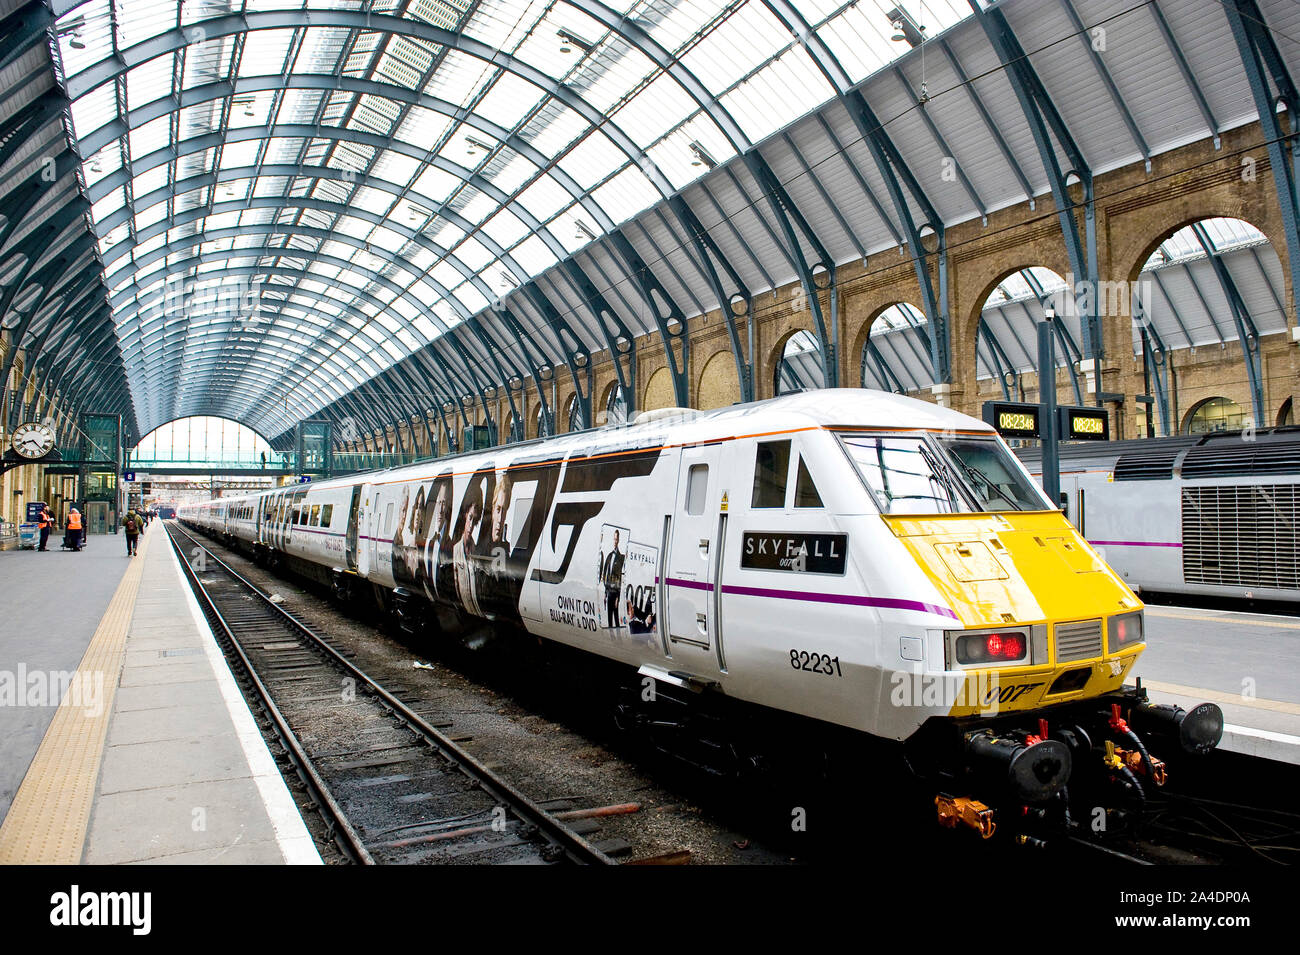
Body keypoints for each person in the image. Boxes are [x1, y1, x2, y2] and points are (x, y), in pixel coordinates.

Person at [452, 487, 483, 617]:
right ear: (465, 515)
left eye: (474, 521)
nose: (471, 525)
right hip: (463, 607)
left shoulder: (477, 552)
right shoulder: (456, 549)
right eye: (470, 518)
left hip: (475, 608)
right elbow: (455, 582)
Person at [599, 529, 624, 628]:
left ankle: (617, 637)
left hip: (615, 593)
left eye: (616, 539)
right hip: (609, 592)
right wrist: (605, 593)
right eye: (614, 539)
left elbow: (620, 579)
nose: (615, 541)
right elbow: (605, 575)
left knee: (616, 618)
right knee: (609, 618)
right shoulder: (609, 556)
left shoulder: (621, 557)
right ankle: (612, 635)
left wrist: (618, 597)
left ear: (619, 540)